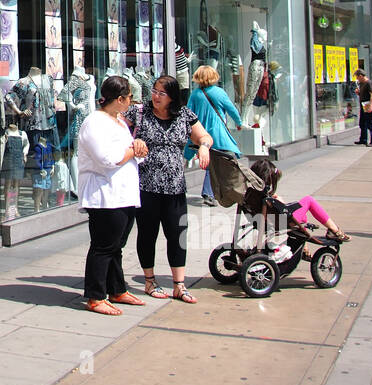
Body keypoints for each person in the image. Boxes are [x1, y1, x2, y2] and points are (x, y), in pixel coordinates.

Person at [127, 74, 213, 303]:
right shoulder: (140, 112)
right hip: (146, 185)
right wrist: (132, 142)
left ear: (172, 96)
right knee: (147, 235)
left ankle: (179, 285)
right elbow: (115, 128)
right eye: (154, 91)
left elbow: (204, 135)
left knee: (177, 235)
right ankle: (149, 281)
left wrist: (203, 147)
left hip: (175, 187)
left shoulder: (184, 115)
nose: (155, 96)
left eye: (161, 93)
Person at [76, 75, 148, 315]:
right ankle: (96, 295)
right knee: (103, 246)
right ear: (119, 99)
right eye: (129, 98)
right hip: (104, 194)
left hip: (124, 194)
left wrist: (136, 148)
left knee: (116, 245)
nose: (131, 102)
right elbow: (108, 158)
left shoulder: (118, 122)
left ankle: (116, 288)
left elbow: (132, 152)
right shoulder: (94, 122)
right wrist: (131, 150)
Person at [250, 159, 351, 242]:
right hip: (281, 223)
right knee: (308, 200)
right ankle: (335, 230)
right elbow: (280, 210)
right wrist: (280, 201)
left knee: (302, 214)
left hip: (265, 221)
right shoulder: (266, 198)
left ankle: (304, 249)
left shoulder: (252, 193)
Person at [186, 65, 243, 207]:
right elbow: (232, 109)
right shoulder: (219, 92)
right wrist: (239, 122)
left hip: (200, 133)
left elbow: (187, 114)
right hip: (217, 134)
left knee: (212, 162)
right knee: (224, 160)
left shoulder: (195, 94)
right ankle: (215, 193)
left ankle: (211, 192)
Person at [354, 69, 372, 146]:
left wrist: (370, 105)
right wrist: (358, 93)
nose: (357, 79)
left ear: (361, 76)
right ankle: (363, 139)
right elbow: (363, 94)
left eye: (357, 77)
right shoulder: (361, 83)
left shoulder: (368, 83)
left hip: (367, 105)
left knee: (370, 123)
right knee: (362, 123)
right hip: (363, 105)